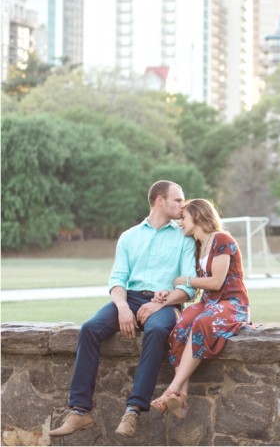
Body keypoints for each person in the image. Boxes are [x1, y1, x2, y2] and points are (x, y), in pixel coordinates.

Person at [49, 180, 196, 439]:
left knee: (157, 330)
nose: (182, 205)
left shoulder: (184, 237)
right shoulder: (129, 236)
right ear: (160, 201)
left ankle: (133, 410)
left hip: (165, 302)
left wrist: (159, 303)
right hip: (129, 299)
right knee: (90, 329)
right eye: (177, 200)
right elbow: (117, 279)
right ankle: (80, 410)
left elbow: (188, 287)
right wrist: (122, 307)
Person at [149, 198, 250, 417]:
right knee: (182, 324)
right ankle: (181, 397)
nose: (180, 223)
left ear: (196, 216)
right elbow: (193, 285)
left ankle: (171, 390)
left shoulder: (222, 239)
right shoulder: (197, 246)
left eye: (183, 218)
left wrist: (186, 279)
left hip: (232, 302)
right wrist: (167, 292)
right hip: (208, 302)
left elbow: (216, 282)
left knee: (201, 323)